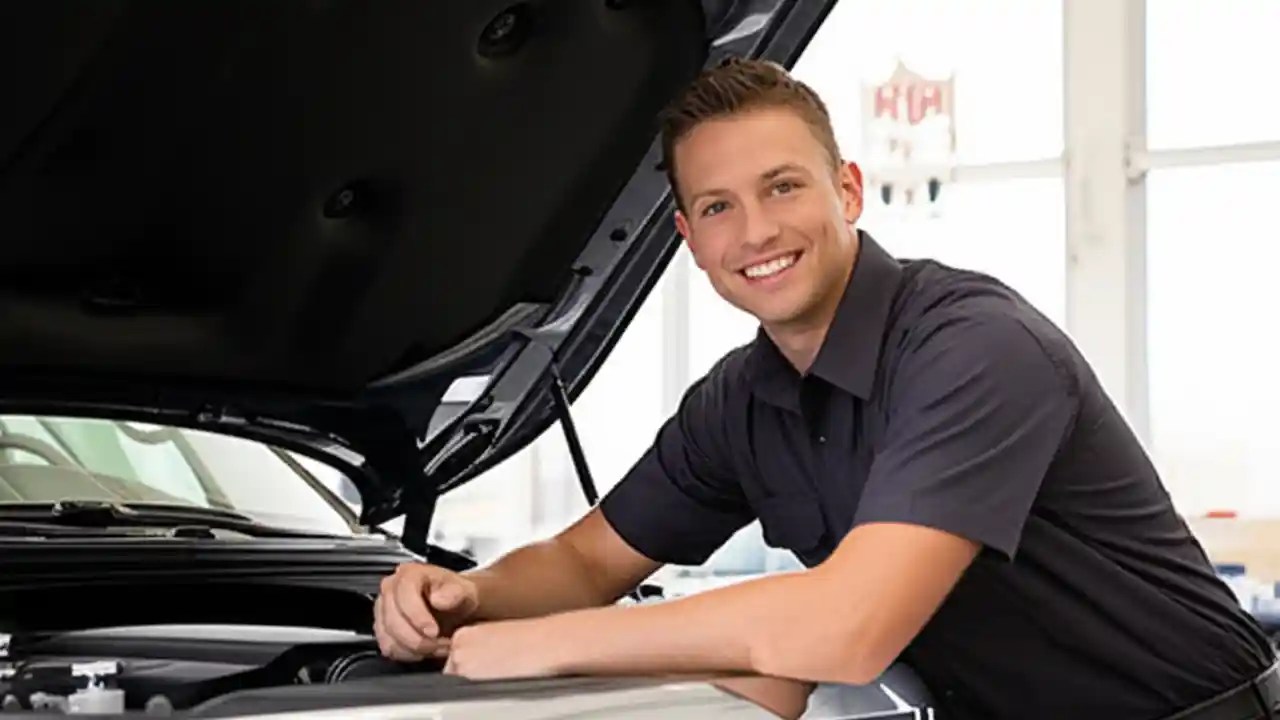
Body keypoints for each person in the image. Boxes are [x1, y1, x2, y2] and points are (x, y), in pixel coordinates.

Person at [374, 58, 1278, 719]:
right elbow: (582, 565)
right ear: (688, 236)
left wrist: (532, 648)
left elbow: (849, 628)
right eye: (720, 206)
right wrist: (465, 600)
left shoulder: (976, 348)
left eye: (783, 187)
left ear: (847, 189)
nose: (756, 230)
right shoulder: (735, 405)